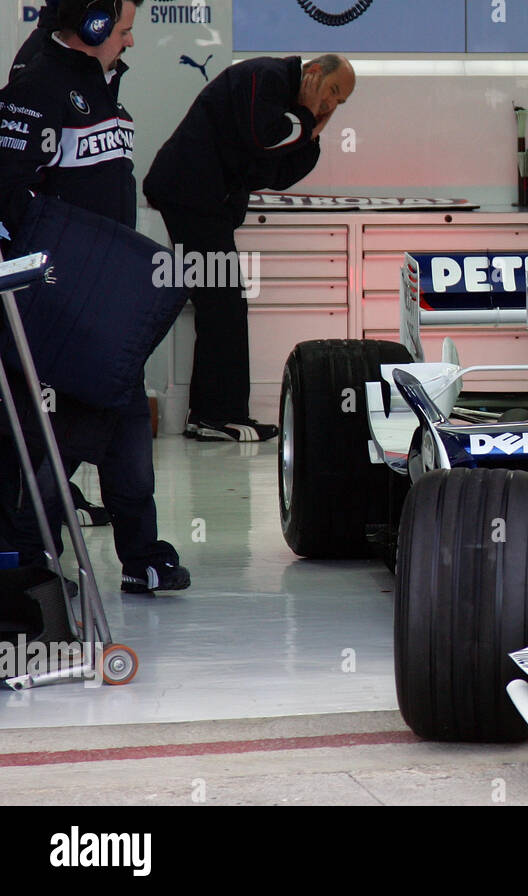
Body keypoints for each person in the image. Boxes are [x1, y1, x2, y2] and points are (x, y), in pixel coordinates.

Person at [0, 0, 190, 593]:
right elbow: (7, 193)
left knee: (124, 418)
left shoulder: (98, 81)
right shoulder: (40, 83)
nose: (130, 43)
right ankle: (35, 554)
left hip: (110, 296)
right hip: (65, 304)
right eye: (125, 30)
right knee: (73, 428)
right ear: (94, 26)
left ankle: (137, 556)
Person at [144, 53, 356, 442]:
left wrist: (309, 128)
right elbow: (264, 136)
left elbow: (278, 173)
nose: (330, 105)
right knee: (222, 303)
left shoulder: (292, 109)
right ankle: (216, 415)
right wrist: (306, 118)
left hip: (204, 205)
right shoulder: (268, 77)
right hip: (190, 198)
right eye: (332, 92)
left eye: (339, 103)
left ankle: (210, 415)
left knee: (219, 304)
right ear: (312, 73)